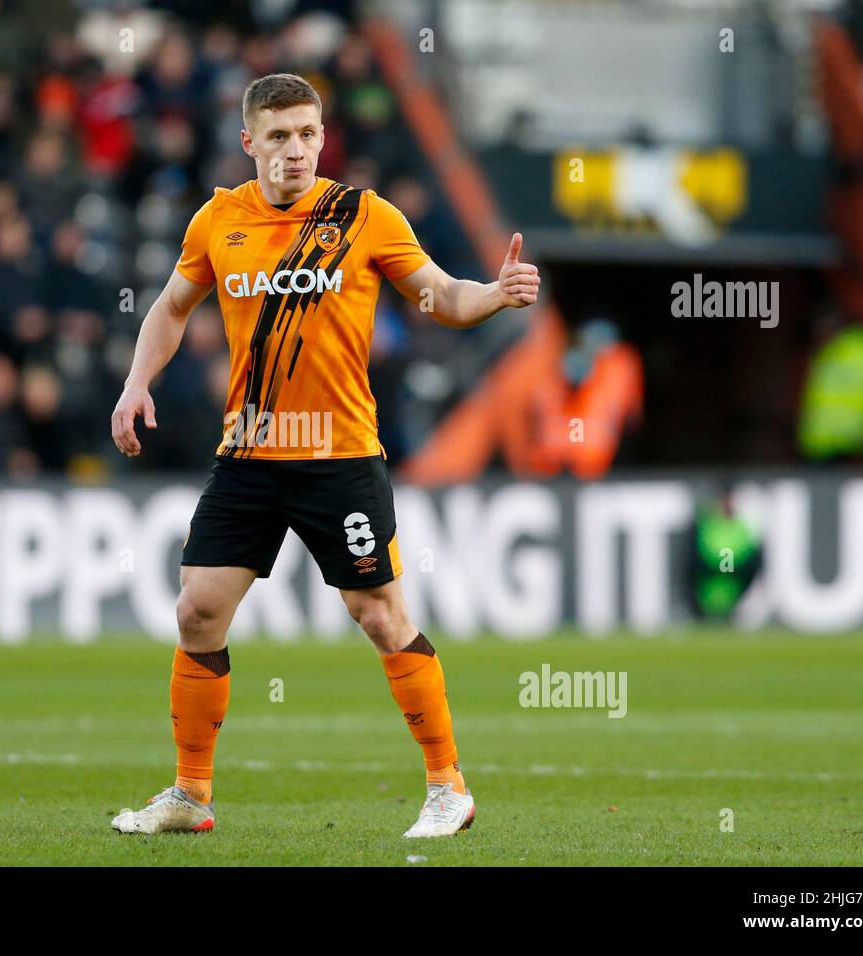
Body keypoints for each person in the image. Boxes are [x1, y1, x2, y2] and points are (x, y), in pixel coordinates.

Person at [108, 73, 540, 838]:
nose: (297, 151)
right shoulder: (218, 219)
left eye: (309, 134)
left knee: (379, 615)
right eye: (278, 137)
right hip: (246, 455)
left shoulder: (363, 215)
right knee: (197, 612)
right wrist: (137, 382)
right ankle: (190, 795)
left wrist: (495, 293)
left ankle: (449, 787)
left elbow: (439, 295)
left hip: (339, 457)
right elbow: (172, 307)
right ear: (249, 143)